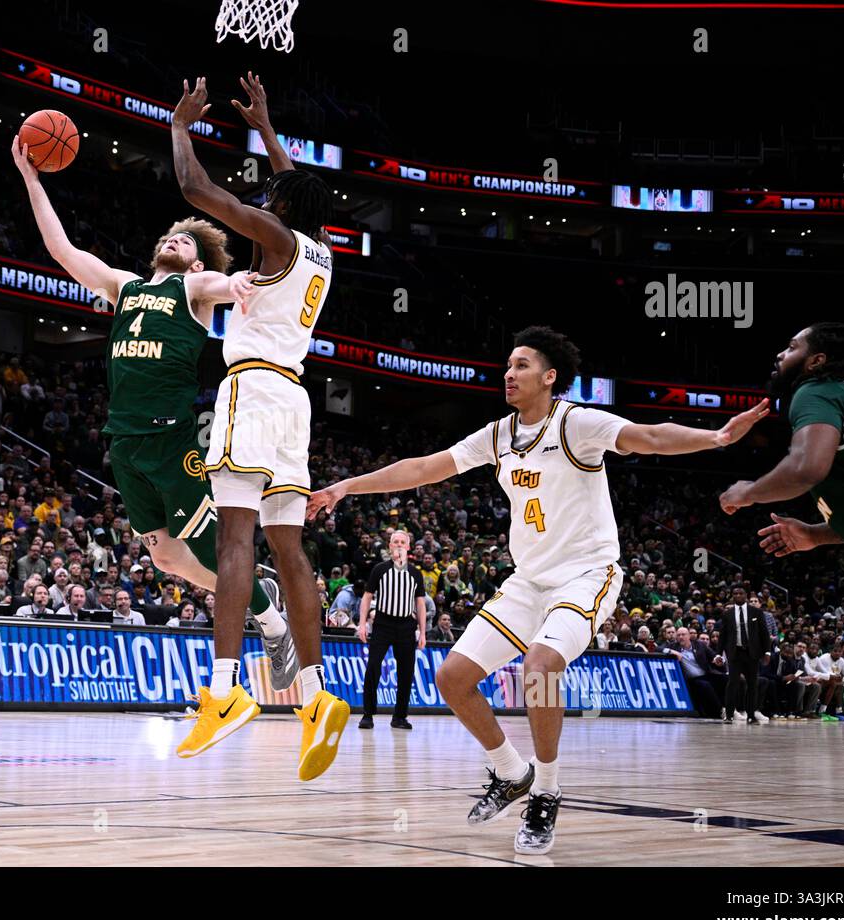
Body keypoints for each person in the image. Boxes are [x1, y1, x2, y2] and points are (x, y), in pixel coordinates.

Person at [309, 325, 768, 853]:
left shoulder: (577, 423)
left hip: (587, 574)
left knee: (541, 668)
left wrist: (715, 438)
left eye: (522, 365)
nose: (509, 373)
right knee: (452, 677)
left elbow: (650, 435)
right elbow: (423, 468)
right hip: (528, 580)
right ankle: (510, 771)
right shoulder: (498, 434)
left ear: (550, 377)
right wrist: (345, 485)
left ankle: (546, 791)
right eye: (507, 365)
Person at [11, 125, 294, 697]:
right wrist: (31, 179)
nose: (175, 239)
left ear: (194, 264)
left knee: (214, 547)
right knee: (166, 558)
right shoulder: (125, 286)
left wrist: (238, 281)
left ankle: (270, 619)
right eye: (170, 235)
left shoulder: (191, 291)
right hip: (123, 440)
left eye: (186, 241)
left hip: (170, 440)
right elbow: (63, 250)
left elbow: (226, 279)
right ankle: (247, 589)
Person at [171, 73, 349, 780]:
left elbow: (197, 195)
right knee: (290, 550)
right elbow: (298, 189)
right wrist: (268, 131)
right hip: (294, 402)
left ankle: (223, 692)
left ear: (278, 209)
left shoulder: (275, 235)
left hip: (251, 391)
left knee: (234, 537)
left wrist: (182, 127)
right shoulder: (322, 251)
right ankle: (312, 696)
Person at [722, 322, 844, 817]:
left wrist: (747, 491)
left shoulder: (816, 391)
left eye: (792, 345)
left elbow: (806, 469)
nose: (782, 352)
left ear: (817, 359)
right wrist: (815, 534)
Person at [356, 529, 426, 730]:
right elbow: (367, 597)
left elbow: (420, 604)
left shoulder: (415, 573)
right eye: (395, 541)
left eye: (402, 541)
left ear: (408, 546)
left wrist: (422, 632)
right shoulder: (379, 569)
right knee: (373, 668)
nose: (398, 544)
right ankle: (368, 714)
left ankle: (399, 717)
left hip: (406, 625)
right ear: (389, 545)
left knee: (406, 672)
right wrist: (362, 623)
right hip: (383, 623)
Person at [717, 587, 771, 723]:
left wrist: (767, 652)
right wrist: (718, 654)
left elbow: (764, 634)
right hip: (735, 653)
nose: (738, 595)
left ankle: (751, 715)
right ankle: (729, 715)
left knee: (752, 685)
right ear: (732, 596)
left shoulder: (757, 612)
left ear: (746, 595)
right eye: (735, 593)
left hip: (752, 653)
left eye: (741, 593)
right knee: (732, 684)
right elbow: (722, 636)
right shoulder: (727, 613)